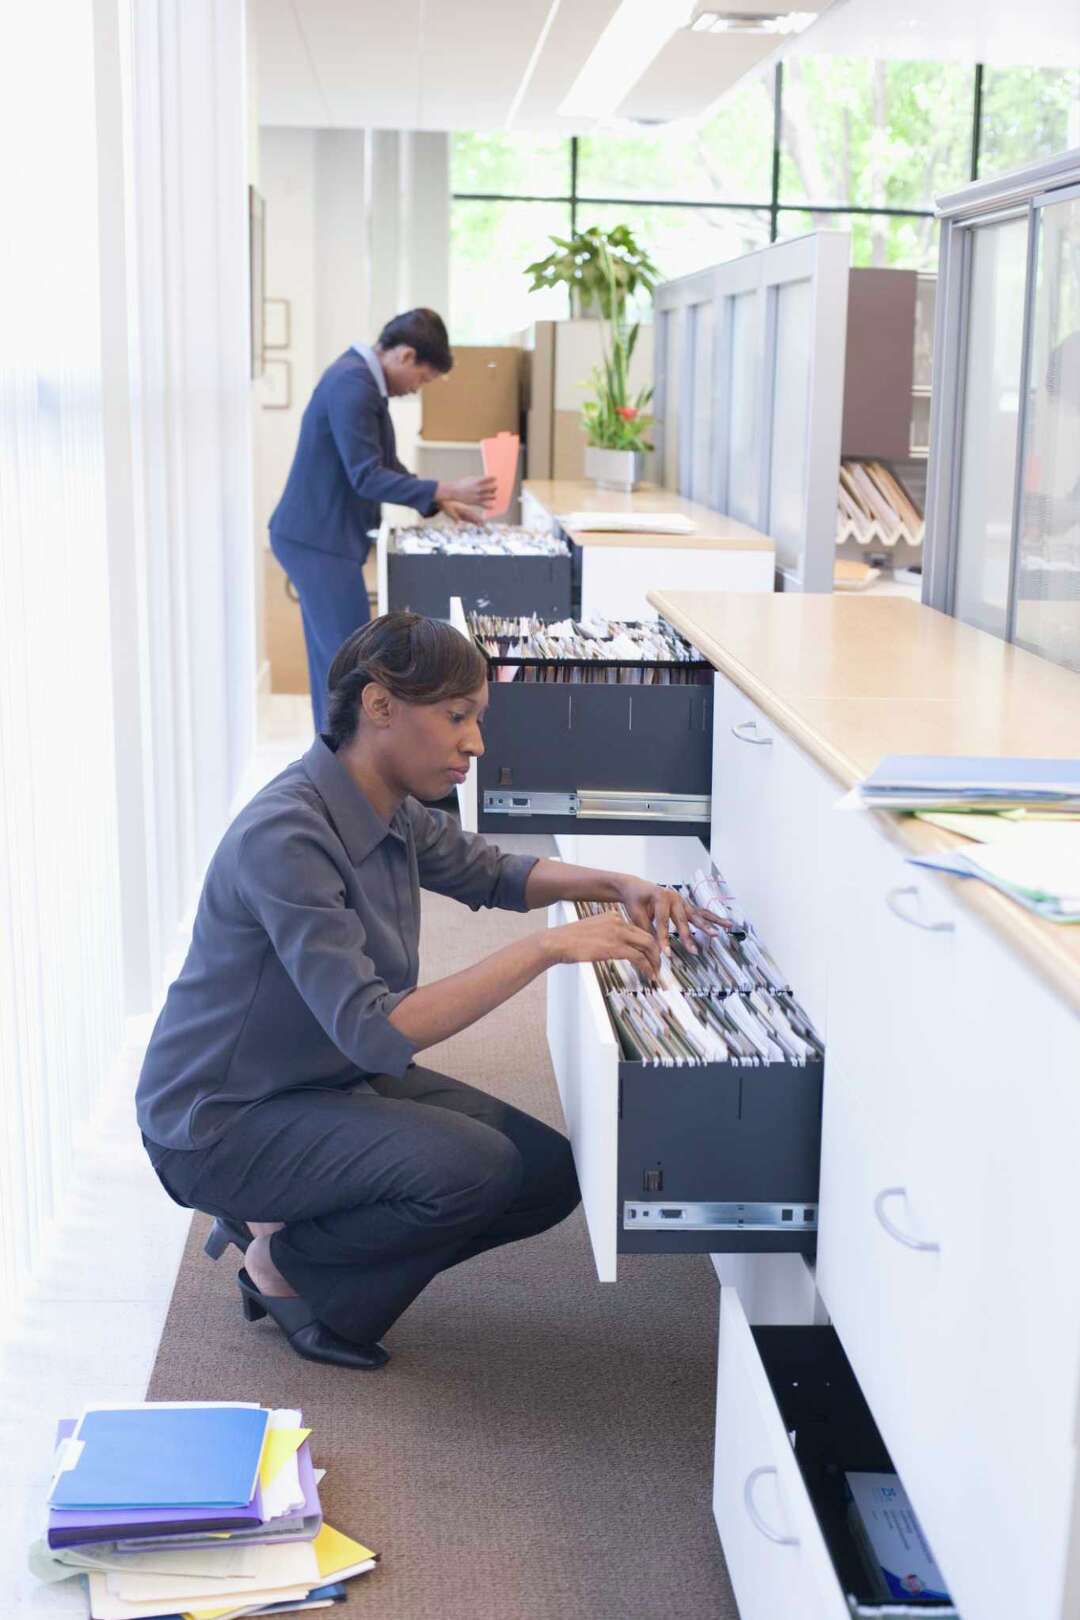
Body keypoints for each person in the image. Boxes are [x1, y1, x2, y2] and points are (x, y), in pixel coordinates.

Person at [136, 613, 719, 1370]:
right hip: (220, 1119)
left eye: (476, 718)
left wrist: (617, 883)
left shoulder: (383, 802)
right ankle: (281, 1270)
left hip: (315, 1078)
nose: (475, 742)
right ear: (380, 707)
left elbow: (492, 872)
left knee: (542, 1175)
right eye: (456, 718)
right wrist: (548, 947)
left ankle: (289, 1228)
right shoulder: (286, 839)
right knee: (472, 1167)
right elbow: (377, 1033)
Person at [269, 308, 496, 731]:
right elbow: (367, 476)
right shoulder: (352, 385)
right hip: (317, 541)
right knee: (351, 668)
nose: (417, 389)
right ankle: (343, 774)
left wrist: (437, 501)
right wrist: (442, 489)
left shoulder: (359, 381)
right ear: (406, 356)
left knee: (334, 665)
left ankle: (332, 764)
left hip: (318, 538)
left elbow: (384, 463)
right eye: (423, 379)